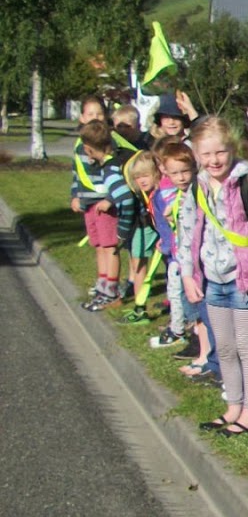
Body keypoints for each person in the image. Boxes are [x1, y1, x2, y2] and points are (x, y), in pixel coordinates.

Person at [180, 117, 248, 435]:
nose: (214, 160)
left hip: (244, 277)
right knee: (226, 347)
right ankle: (233, 405)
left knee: (247, 346)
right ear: (196, 155)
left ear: (231, 148)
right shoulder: (198, 185)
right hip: (212, 278)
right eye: (206, 154)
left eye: (220, 152)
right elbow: (187, 230)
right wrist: (188, 274)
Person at [70, 120, 133, 311]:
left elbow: (119, 188)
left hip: (104, 207)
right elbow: (77, 175)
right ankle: (103, 286)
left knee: (109, 247)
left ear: (89, 149)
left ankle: (111, 292)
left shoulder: (110, 162)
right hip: (89, 205)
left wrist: (110, 200)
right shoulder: (93, 156)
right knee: (99, 246)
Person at [148, 139, 194, 349]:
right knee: (176, 292)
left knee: (180, 294)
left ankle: (180, 329)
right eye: (175, 173)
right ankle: (179, 326)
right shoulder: (167, 191)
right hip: (176, 252)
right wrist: (165, 240)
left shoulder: (184, 193)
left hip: (186, 255)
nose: (181, 177)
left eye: (185, 171)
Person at [119, 151, 163, 325]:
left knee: (140, 265)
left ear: (156, 173)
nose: (141, 180)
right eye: (137, 177)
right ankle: (139, 305)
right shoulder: (146, 193)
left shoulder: (161, 193)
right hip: (145, 226)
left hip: (149, 229)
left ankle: (140, 307)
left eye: (145, 175)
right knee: (137, 264)